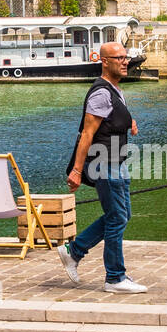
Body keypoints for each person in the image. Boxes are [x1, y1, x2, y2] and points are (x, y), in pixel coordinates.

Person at [59, 41, 146, 292]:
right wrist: (76, 170)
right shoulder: (100, 93)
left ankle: (74, 251)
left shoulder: (114, 90)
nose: (125, 61)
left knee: (120, 215)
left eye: (125, 57)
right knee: (117, 217)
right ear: (104, 61)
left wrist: (129, 122)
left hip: (117, 162)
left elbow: (112, 118)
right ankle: (115, 278)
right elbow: (87, 134)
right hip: (104, 164)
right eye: (118, 58)